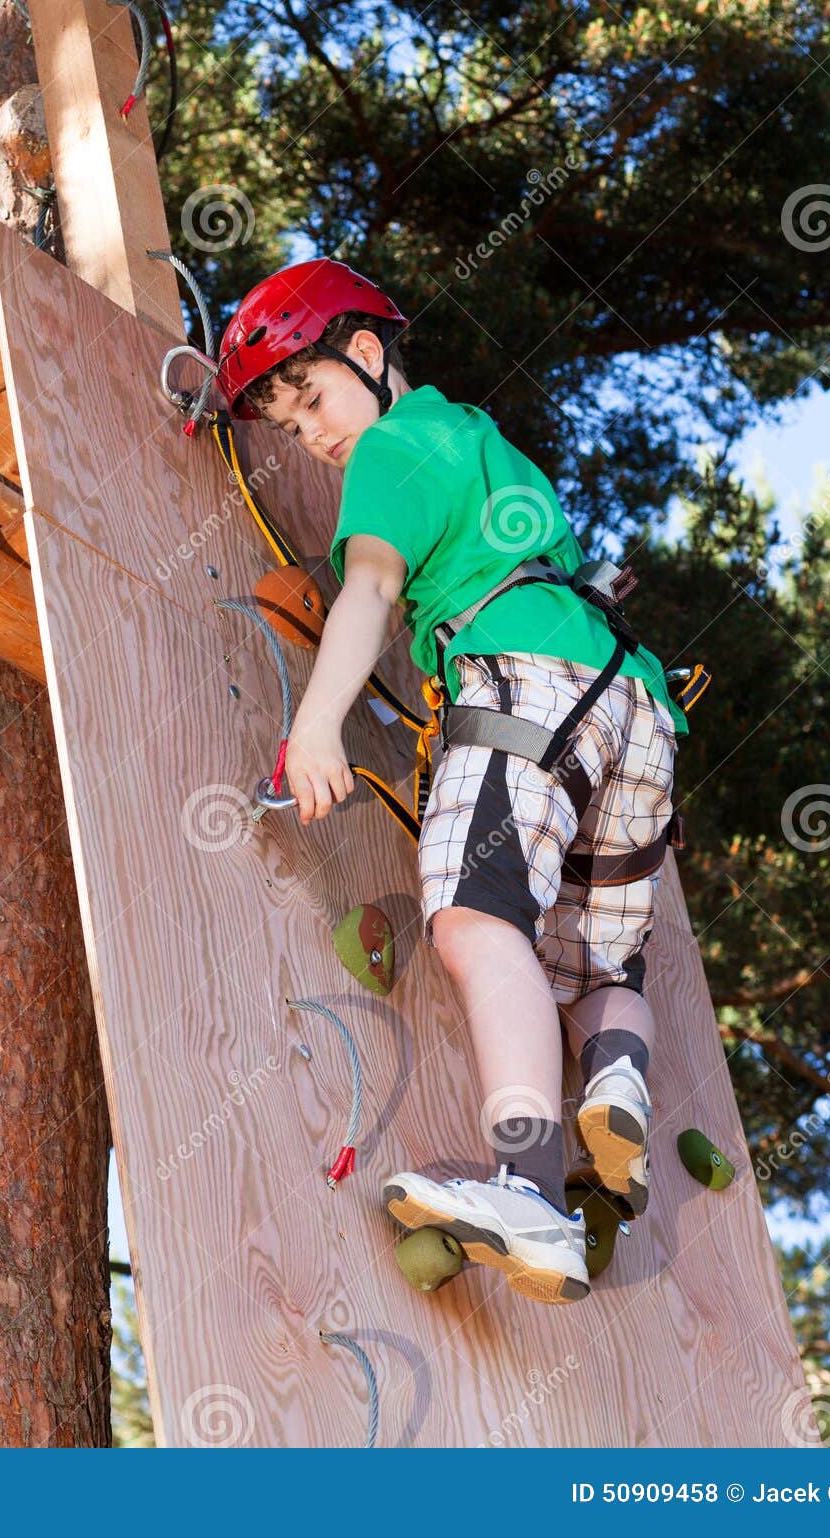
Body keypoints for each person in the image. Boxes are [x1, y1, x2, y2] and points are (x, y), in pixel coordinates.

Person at [216, 260, 689, 1305]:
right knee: (590, 961)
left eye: (315, 401)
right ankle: (613, 1089)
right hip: (633, 710)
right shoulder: (481, 441)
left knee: (474, 921)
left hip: (520, 686)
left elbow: (371, 592)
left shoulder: (391, 444)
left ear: (370, 356)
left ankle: (526, 1184)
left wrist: (312, 729)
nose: (317, 436)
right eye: (291, 431)